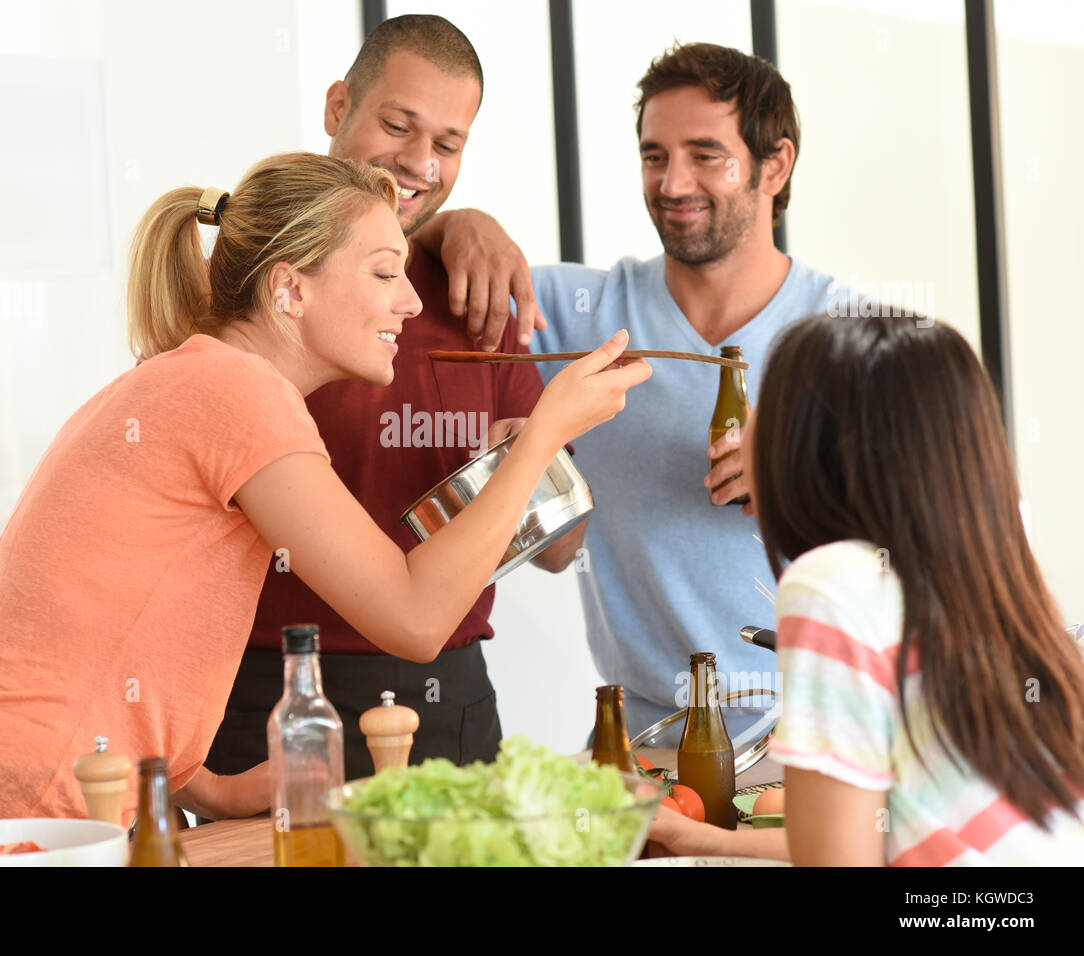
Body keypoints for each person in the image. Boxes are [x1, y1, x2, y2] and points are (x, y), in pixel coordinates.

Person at [0, 151, 650, 865]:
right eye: (381, 273)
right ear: (289, 289)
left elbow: (107, 640)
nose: (408, 302)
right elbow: (413, 614)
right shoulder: (237, 395)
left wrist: (216, 787)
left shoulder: (191, 381)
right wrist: (544, 435)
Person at [415, 43, 839, 738]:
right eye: (654, 156)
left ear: (776, 164)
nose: (672, 183)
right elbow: (385, 257)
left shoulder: (855, 341)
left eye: (705, 155)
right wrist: (457, 224)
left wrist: (807, 484)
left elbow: (948, 552)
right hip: (640, 753)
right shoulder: (573, 316)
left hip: (821, 748)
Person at [205, 15, 580, 784]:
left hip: (449, 696)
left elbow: (562, 548)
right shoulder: (247, 281)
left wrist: (522, 469)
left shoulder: (480, 293)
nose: (419, 161)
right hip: (265, 692)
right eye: (397, 125)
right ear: (338, 106)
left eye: (447, 144)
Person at [646, 312, 1084, 865]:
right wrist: (709, 841)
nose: (742, 426)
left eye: (767, 405)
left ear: (819, 446)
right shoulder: (991, 550)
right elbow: (894, 831)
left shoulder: (832, 585)